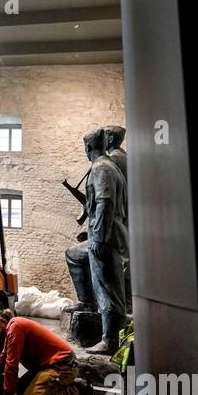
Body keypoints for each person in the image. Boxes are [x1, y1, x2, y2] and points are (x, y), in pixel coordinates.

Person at [80, 128, 129, 355]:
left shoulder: (101, 168)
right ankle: (113, 339)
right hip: (114, 233)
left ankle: (109, 340)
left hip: (105, 238)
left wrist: (98, 238)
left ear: (89, 147)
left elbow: (105, 202)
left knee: (106, 287)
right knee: (112, 286)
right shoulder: (112, 166)